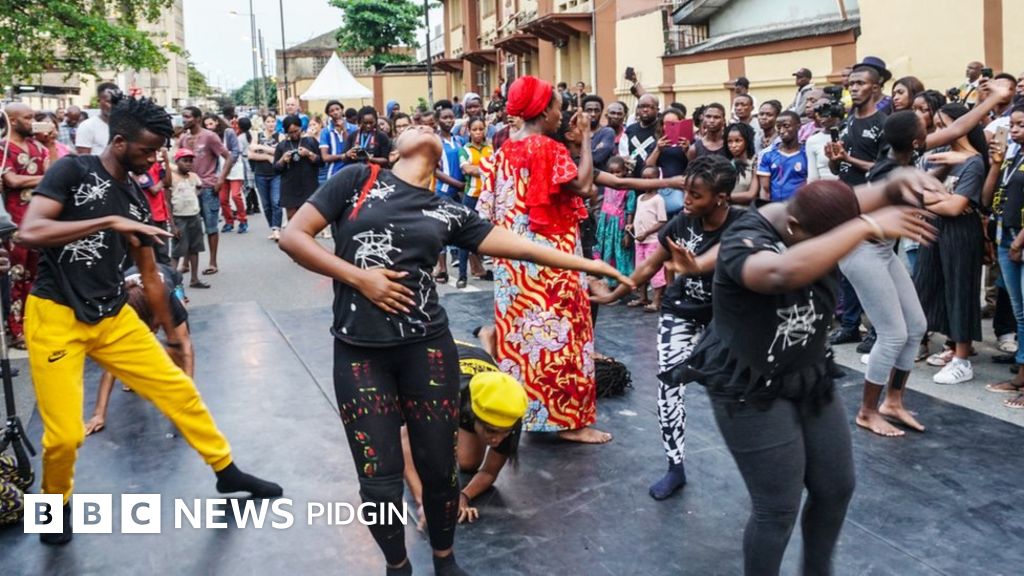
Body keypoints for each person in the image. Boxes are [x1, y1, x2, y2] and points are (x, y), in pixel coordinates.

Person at [279, 122, 630, 576]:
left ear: (441, 150)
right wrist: (358, 277)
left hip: (426, 350)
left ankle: (446, 562)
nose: (421, 127)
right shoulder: (359, 180)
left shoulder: (448, 212)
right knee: (379, 481)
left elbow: (525, 247)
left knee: (440, 471)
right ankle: (397, 566)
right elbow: (293, 237)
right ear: (395, 150)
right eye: (411, 125)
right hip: (360, 353)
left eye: (428, 126)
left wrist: (589, 264)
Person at [19, 96, 282, 546]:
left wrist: (174, 330)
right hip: (55, 313)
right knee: (63, 436)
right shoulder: (73, 172)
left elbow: (148, 276)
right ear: (119, 141)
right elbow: (30, 231)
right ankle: (52, 507)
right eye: (146, 149)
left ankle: (226, 471)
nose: (154, 157)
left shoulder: (138, 201)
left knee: (180, 391)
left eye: (160, 149)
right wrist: (108, 222)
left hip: (112, 314)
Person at [678, 171, 944, 575]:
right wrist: (865, 226)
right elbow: (779, 273)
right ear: (794, 228)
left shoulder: (812, 218)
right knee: (777, 509)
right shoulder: (744, 237)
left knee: (836, 488)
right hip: (750, 385)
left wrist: (899, 185)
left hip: (807, 373)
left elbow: (865, 196)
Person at [593, 155, 743, 500]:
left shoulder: (741, 224)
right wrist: (614, 293)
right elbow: (649, 266)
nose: (686, 200)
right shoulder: (680, 224)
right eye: (686, 191)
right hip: (682, 311)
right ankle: (675, 466)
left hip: (727, 315)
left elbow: (723, 256)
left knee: (738, 388)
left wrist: (697, 265)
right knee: (668, 387)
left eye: (696, 195)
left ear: (720, 197)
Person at [477, 75, 613, 444]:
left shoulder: (502, 151)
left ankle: (524, 412)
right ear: (543, 109)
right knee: (567, 337)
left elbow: (486, 209)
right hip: (553, 261)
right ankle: (570, 422)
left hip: (512, 262)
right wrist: (585, 138)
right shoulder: (548, 150)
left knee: (523, 340)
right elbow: (585, 187)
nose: (561, 113)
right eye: (557, 106)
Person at [838, 111, 929, 437]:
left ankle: (893, 401)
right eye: (923, 125)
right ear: (916, 141)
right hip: (862, 253)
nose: (928, 125)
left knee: (916, 326)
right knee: (893, 334)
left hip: (882, 253)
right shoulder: (890, 171)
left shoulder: (899, 158)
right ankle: (866, 411)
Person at [401, 338, 527, 527]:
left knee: (468, 462)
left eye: (505, 432)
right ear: (472, 416)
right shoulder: (444, 397)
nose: (497, 439)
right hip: (426, 359)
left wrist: (463, 495)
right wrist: (423, 501)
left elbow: (489, 472)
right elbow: (404, 439)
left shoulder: (510, 415)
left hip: (474, 362)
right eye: (491, 431)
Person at [915, 103, 988, 384]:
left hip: (960, 231)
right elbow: (919, 193)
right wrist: (937, 200)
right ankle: (940, 345)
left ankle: (962, 359)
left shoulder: (973, 161)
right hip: (934, 227)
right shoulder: (937, 157)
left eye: (943, 125)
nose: (938, 132)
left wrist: (933, 200)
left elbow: (957, 207)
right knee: (926, 284)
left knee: (960, 290)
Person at [84, 264, 193, 435]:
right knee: (127, 346)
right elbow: (111, 364)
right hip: (133, 288)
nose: (155, 329)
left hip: (168, 277)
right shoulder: (119, 310)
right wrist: (98, 414)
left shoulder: (166, 300)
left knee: (179, 335)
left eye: (155, 326)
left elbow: (185, 344)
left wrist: (188, 397)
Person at [826, 62, 890, 346]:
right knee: (847, 267)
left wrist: (849, 160)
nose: (854, 88)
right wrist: (835, 157)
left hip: (873, 204)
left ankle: (878, 328)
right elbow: (835, 167)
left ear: (875, 87)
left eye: (860, 83)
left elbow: (884, 168)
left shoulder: (884, 122)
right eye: (851, 84)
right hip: (845, 202)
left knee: (873, 269)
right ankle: (850, 325)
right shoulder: (848, 120)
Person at [986, 104, 1024, 408]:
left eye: (1020, 125)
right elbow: (989, 200)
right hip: (1004, 236)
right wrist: (996, 164)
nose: (1013, 131)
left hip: (1019, 241)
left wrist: (1019, 241)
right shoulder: (1013, 156)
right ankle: (1021, 374)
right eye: (1012, 125)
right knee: (1019, 311)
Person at [0, 102, 47, 349]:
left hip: (38, 222)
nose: (33, 121)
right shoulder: (3, 147)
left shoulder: (38, 147)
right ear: (13, 121)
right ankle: (15, 329)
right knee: (15, 276)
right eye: (28, 117)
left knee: (35, 275)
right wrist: (44, 179)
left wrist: (50, 144)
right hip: (14, 224)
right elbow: (12, 180)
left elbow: (56, 173)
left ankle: (31, 325)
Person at [178, 106, 232, 276]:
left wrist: (221, 179)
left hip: (208, 186)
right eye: (183, 117)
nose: (184, 120)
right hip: (188, 189)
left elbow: (228, 156)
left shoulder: (209, 136)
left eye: (188, 117)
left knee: (210, 226)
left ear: (197, 118)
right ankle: (186, 262)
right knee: (188, 226)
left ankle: (213, 262)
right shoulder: (183, 138)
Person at [456, 117, 494, 288]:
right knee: (465, 235)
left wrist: (480, 169)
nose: (478, 132)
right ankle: (462, 275)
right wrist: (487, 169)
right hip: (471, 196)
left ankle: (486, 270)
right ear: (469, 131)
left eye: (481, 129)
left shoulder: (490, 148)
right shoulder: (464, 150)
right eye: (475, 129)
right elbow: (467, 169)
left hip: (487, 197)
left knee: (490, 235)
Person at [164, 148, 208, 289]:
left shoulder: (193, 177)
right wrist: (172, 225)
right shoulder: (171, 177)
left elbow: (200, 187)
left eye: (190, 161)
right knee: (177, 251)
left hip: (194, 216)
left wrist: (194, 195)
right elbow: (167, 202)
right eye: (185, 161)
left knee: (194, 249)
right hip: (179, 218)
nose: (188, 164)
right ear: (177, 162)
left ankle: (194, 279)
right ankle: (171, 282)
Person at [630, 168, 669, 312]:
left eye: (650, 178)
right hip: (639, 240)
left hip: (652, 240)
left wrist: (647, 232)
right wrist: (632, 226)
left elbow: (662, 221)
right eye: (643, 178)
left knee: (656, 271)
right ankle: (643, 297)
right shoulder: (640, 198)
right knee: (640, 269)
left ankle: (657, 300)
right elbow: (638, 215)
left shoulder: (658, 199)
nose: (646, 182)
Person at [203, 114, 247, 234]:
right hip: (219, 170)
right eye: (206, 125)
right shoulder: (208, 137)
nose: (209, 127)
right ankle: (229, 221)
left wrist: (229, 163)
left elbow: (236, 150)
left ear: (217, 122)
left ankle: (243, 220)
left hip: (233, 168)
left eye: (211, 124)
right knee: (222, 199)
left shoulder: (228, 132)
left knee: (236, 195)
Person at [274, 114, 323, 222]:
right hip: (289, 188)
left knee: (309, 221)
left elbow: (321, 162)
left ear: (301, 128)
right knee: (292, 220)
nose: (294, 134)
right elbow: (276, 169)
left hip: (308, 186)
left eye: (296, 130)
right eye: (290, 132)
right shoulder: (282, 145)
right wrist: (283, 159)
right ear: (286, 132)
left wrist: (308, 154)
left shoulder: (311, 141)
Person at [595, 157, 634, 286]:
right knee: (605, 249)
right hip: (605, 222)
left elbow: (630, 210)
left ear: (624, 171)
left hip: (618, 225)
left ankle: (619, 281)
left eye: (618, 172)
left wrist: (628, 232)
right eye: (611, 172)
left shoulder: (628, 188)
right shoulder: (607, 185)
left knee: (619, 251)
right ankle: (606, 278)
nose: (614, 175)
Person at [757, 111, 808, 203]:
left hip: (801, 208)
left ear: (798, 126)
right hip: (776, 209)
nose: (781, 131)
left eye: (786, 126)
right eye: (779, 127)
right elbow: (765, 190)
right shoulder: (768, 154)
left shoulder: (807, 153)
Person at [249, 114, 283, 240]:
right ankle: (273, 227)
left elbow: (280, 152)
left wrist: (262, 148)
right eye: (268, 121)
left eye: (273, 121)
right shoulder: (257, 136)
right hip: (260, 174)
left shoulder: (279, 136)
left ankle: (276, 229)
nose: (271, 124)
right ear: (264, 123)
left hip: (276, 174)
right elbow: (251, 153)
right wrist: (268, 155)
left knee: (276, 202)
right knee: (266, 204)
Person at [75, 82, 120, 155]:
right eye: (108, 102)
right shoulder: (87, 126)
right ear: (98, 101)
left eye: (116, 102)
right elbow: (83, 161)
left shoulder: (124, 125)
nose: (113, 106)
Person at [621, 94, 659, 177]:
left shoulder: (661, 129)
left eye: (649, 107)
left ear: (657, 109)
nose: (645, 110)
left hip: (653, 180)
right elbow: (623, 152)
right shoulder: (630, 129)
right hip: (633, 179)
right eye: (641, 106)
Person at [725, 122, 759, 204]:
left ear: (747, 141)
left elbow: (751, 194)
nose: (733, 145)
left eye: (738, 141)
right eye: (729, 141)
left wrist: (725, 197)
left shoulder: (754, 164)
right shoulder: (725, 165)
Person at [583, 95, 616, 171]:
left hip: (602, 179)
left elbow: (597, 157)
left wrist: (580, 156)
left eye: (596, 110)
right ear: (583, 112)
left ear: (601, 112)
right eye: (589, 110)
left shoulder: (608, 132)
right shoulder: (577, 132)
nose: (593, 114)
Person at [320, 100, 349, 180]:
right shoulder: (326, 132)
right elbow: (325, 157)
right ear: (329, 114)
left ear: (342, 110)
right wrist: (342, 156)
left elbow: (351, 147)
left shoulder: (353, 128)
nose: (335, 112)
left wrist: (344, 130)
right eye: (332, 111)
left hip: (351, 169)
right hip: (333, 172)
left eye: (337, 109)